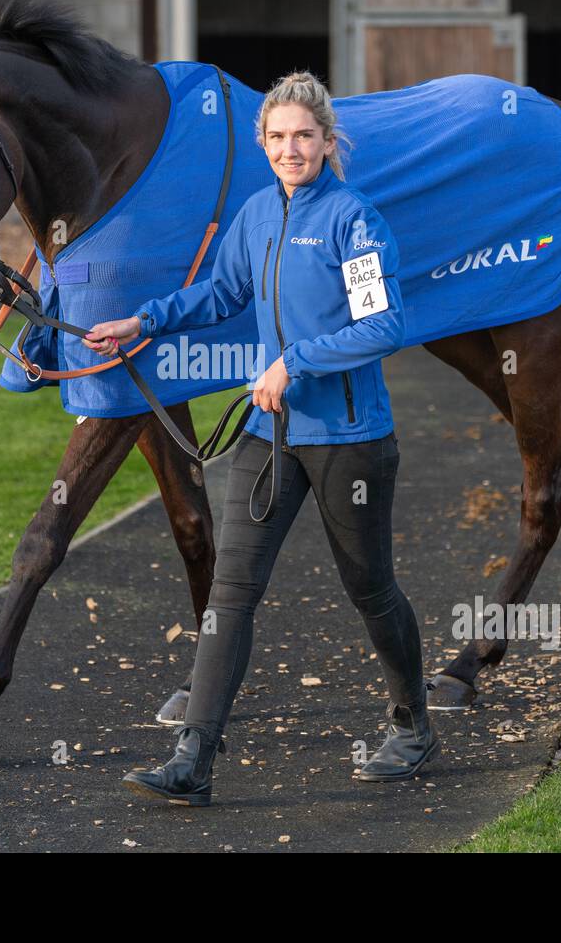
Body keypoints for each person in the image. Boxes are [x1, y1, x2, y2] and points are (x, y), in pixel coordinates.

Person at [83, 70, 438, 807]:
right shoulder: (254, 216)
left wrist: (293, 360)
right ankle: (194, 758)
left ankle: (413, 724)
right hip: (267, 434)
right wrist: (143, 322)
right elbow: (221, 294)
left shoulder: (355, 220)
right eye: (276, 137)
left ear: (327, 140)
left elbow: (385, 324)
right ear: (263, 143)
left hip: (350, 437)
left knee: (370, 588)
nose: (290, 148)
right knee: (231, 592)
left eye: (303, 135)